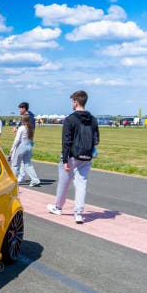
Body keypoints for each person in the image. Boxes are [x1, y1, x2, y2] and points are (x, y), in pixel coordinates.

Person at [47, 90, 100, 224]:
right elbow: (96, 139)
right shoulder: (93, 119)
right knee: (81, 184)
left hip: (71, 156)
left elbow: (66, 141)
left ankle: (58, 207)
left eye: (73, 101)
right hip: (86, 157)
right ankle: (78, 214)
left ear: (76, 102)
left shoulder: (70, 119)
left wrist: (64, 159)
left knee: (64, 183)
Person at [9, 113, 41, 187]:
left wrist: (12, 148)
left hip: (21, 146)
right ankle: (35, 180)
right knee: (27, 164)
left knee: (15, 164)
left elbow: (17, 139)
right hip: (29, 146)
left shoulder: (21, 128)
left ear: (23, 120)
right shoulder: (30, 128)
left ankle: (13, 180)